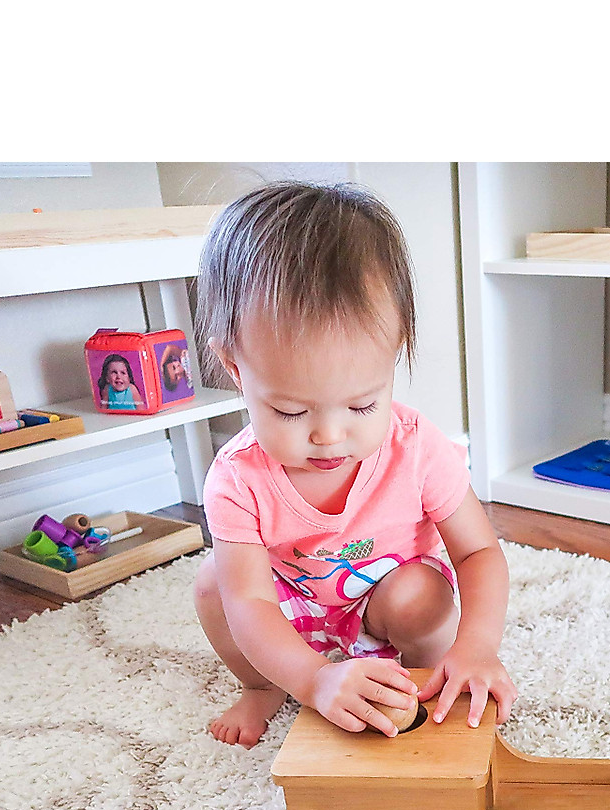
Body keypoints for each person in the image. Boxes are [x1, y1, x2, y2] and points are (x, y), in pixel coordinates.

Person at [194, 181, 517, 748]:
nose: (328, 435)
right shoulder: (237, 478)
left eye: (363, 404)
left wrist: (476, 646)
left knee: (421, 597)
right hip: (291, 615)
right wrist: (313, 679)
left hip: (383, 602)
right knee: (214, 586)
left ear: (394, 358)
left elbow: (479, 550)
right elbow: (250, 600)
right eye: (290, 409)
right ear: (234, 367)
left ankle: (425, 672)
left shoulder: (414, 446)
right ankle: (266, 685)